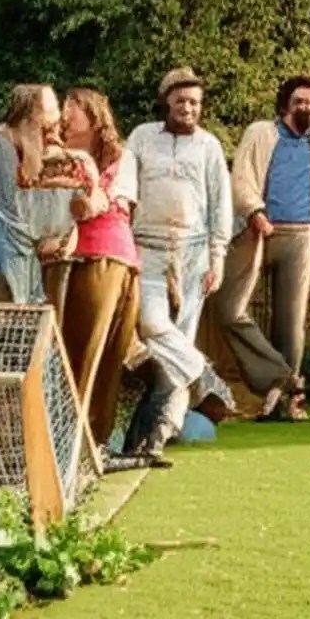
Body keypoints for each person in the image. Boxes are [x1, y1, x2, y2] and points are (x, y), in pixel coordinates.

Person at [119, 67, 236, 462]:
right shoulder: (141, 137)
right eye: (182, 100)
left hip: (193, 252)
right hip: (147, 248)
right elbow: (126, 189)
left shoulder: (209, 146)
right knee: (152, 327)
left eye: (195, 103)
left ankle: (161, 432)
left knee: (177, 344)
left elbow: (221, 202)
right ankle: (205, 375)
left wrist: (218, 255)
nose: (188, 108)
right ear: (167, 100)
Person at [214, 74, 310, 422]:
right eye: (299, 101)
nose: (306, 107)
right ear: (286, 104)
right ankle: (283, 380)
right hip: (257, 230)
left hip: (302, 236)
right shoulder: (260, 133)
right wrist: (255, 211)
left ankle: (287, 404)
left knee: (291, 322)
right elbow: (241, 177)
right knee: (227, 307)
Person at [39, 87, 140, 452]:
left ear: (96, 118)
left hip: (109, 259)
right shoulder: (57, 159)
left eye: (73, 108)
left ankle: (89, 444)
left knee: (104, 357)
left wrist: (92, 199)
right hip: (79, 261)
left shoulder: (119, 158)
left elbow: (108, 201)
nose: (65, 116)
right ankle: (73, 445)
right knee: (76, 354)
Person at [0, 83, 74, 304]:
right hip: (10, 247)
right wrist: (37, 234)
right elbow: (6, 203)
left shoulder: (38, 140)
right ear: (32, 112)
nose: (55, 117)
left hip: (32, 248)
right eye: (49, 110)